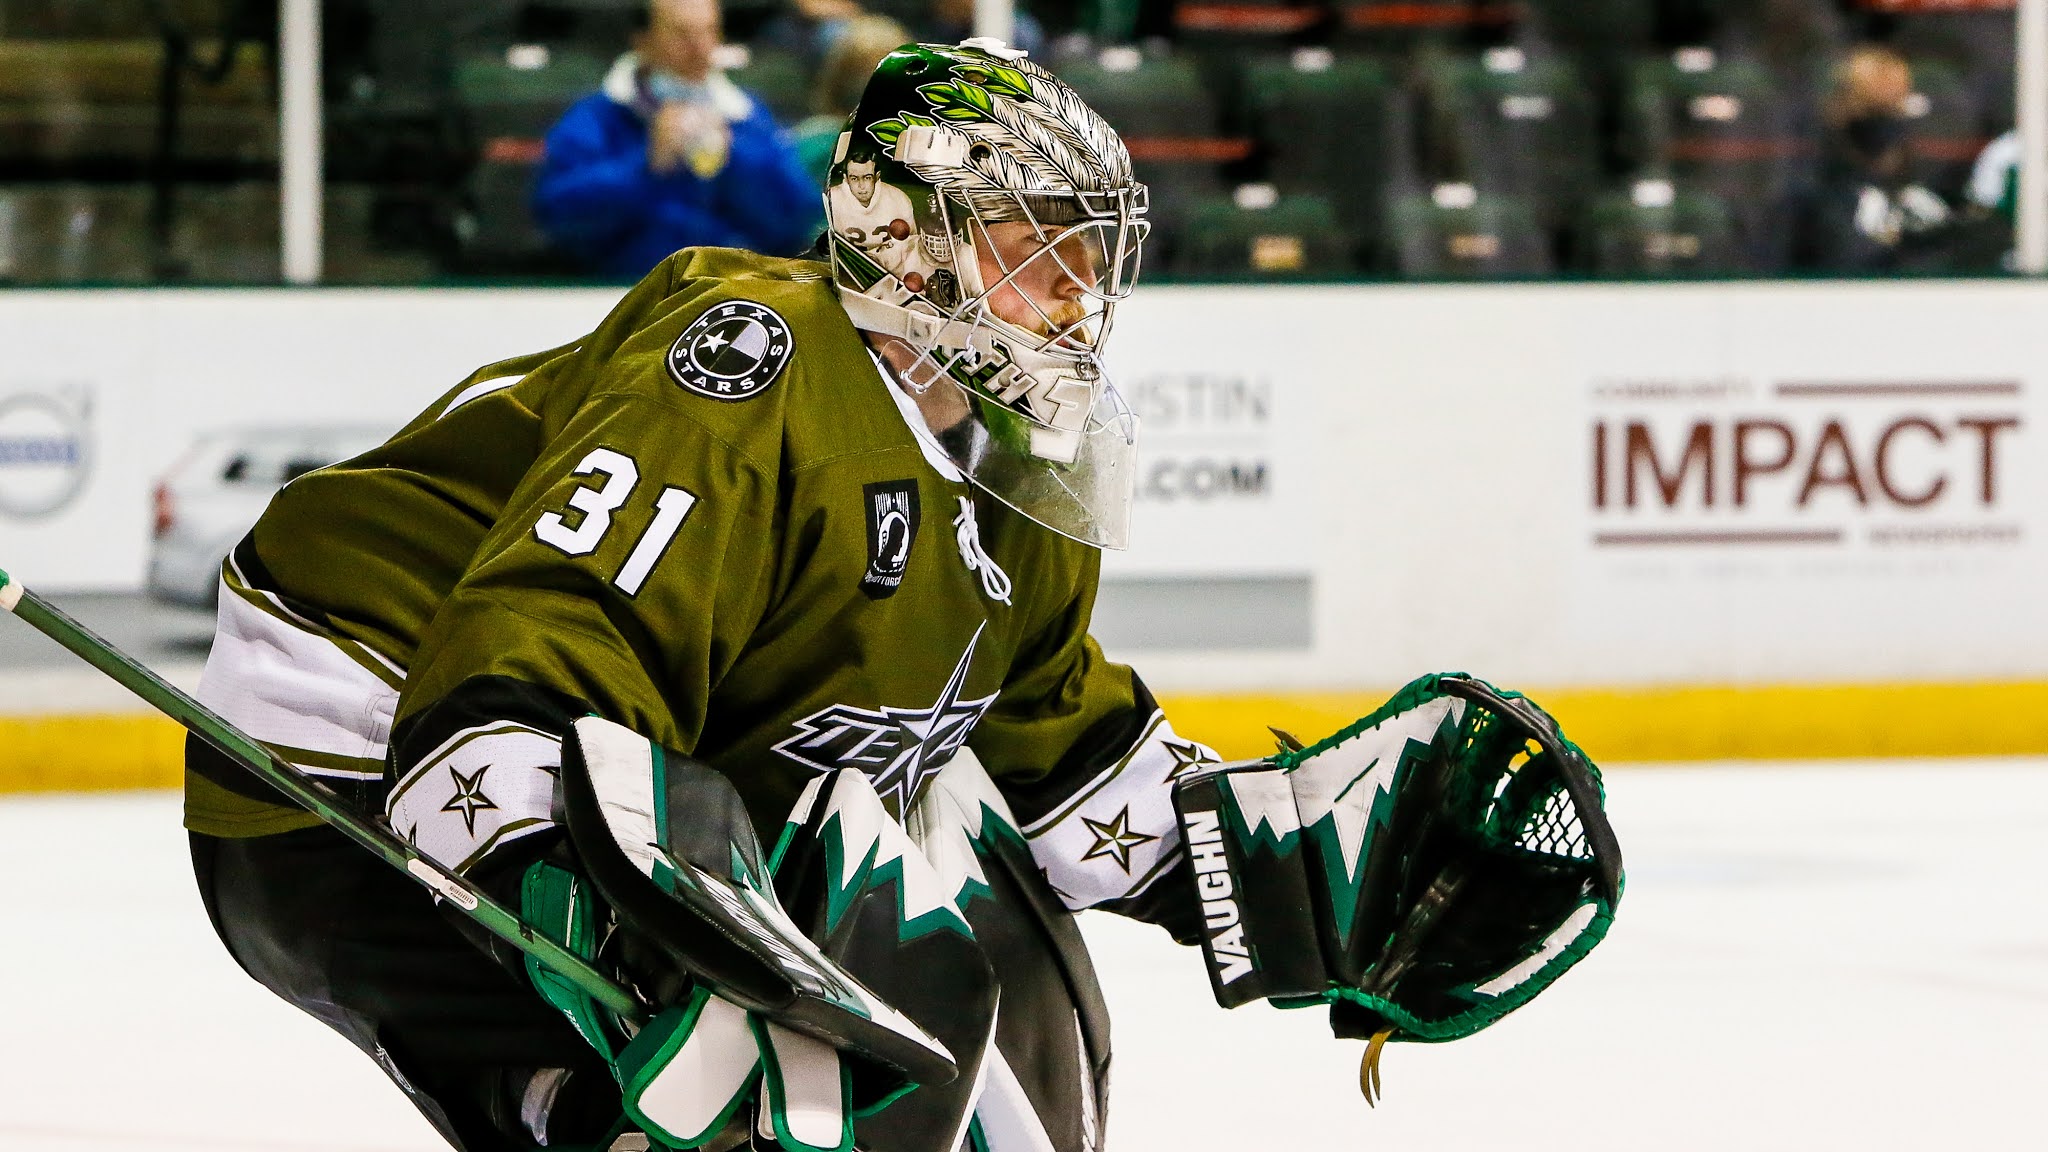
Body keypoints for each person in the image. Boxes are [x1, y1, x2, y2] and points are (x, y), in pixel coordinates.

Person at [186, 39, 1206, 1152]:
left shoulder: (1022, 459)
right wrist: (625, 923)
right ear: (906, 237)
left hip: (584, 737)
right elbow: (547, 647)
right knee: (682, 1103)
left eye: (1092, 251)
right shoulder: (758, 361)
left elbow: (1040, 732)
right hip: (359, 738)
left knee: (944, 982)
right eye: (1035, 244)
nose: (1077, 292)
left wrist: (1246, 857)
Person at [532, 0, 821, 280]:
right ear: (643, 40)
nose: (698, 45)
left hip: (732, 289)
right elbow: (559, 217)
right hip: (625, 290)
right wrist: (646, 166)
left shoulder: (746, 115)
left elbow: (797, 218)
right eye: (682, 33)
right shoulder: (598, 116)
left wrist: (734, 158)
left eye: (708, 31)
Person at [1795, 44, 1953, 272]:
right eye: (1872, 108)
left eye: (1898, 107)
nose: (1889, 121)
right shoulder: (1814, 197)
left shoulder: (1935, 186)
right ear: (1838, 107)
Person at [788, 13, 910, 186]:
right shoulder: (817, 142)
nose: (870, 83)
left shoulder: (919, 148)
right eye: (860, 71)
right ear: (841, 76)